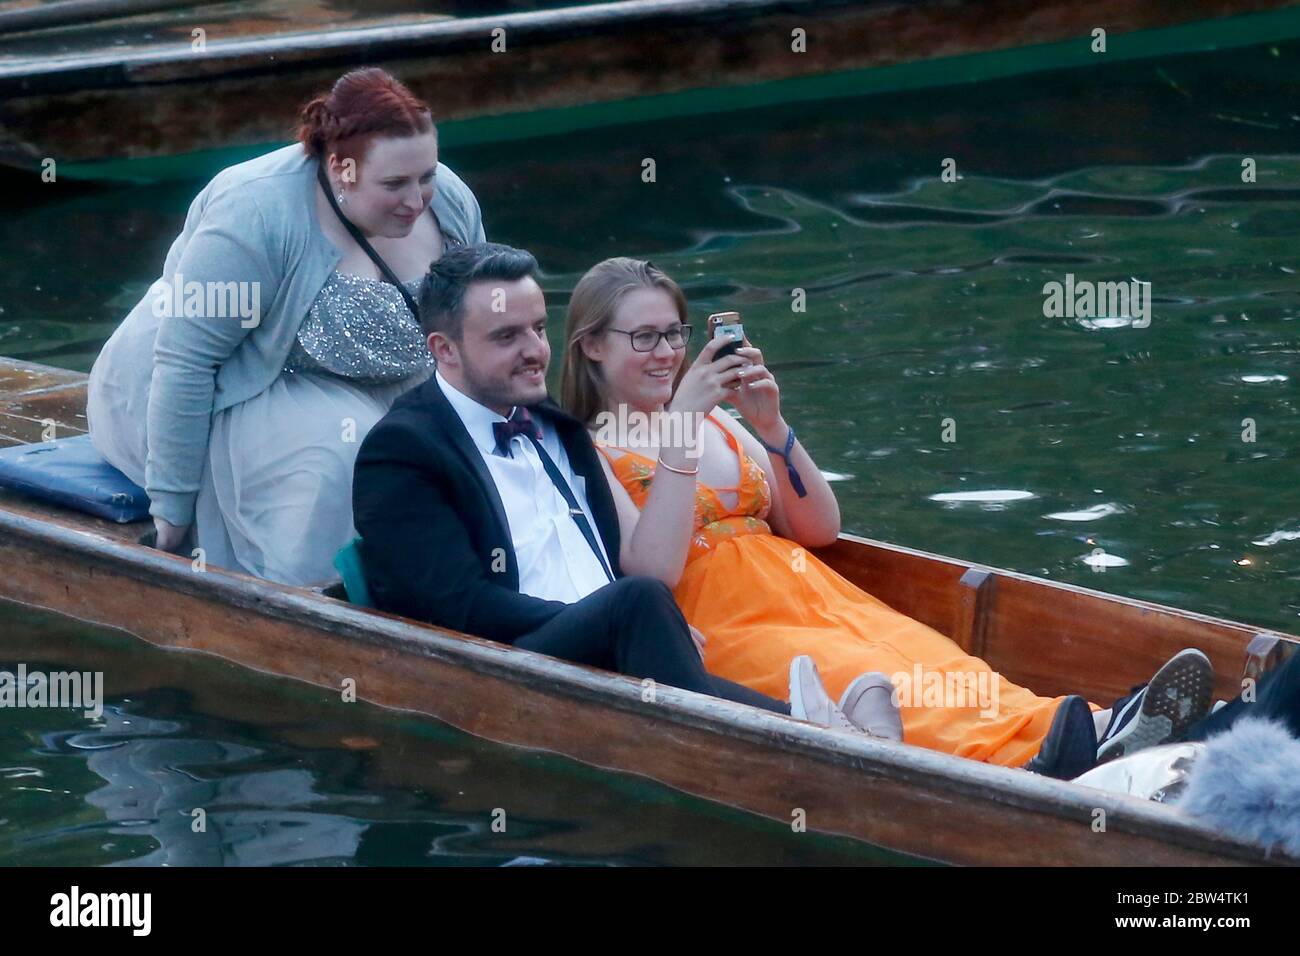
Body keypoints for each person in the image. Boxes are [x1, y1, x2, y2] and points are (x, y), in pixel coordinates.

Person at [558, 256, 1225, 777]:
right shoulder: (590, 448)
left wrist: (772, 425)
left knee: (938, 663)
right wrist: (678, 430)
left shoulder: (724, 426)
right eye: (643, 337)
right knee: (876, 682)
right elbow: (652, 570)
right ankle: (1050, 756)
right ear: (591, 346)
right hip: (726, 625)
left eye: (674, 333)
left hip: (818, 596)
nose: (666, 353)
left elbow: (818, 529)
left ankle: (1095, 729)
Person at [351, 242, 903, 738]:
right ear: (444, 350)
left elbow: (611, 554)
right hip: (499, 662)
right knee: (640, 600)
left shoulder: (552, 423)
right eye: (505, 336)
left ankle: (821, 734)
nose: (535, 350)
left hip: (603, 635)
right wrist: (609, 618)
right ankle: (808, 733)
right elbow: (459, 606)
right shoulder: (402, 449)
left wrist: (634, 620)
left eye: (539, 329)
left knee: (642, 605)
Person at [87, 67, 484, 585]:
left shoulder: (449, 202)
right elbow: (185, 363)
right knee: (348, 454)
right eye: (394, 184)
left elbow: (480, 324)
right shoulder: (255, 213)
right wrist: (172, 512)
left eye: (426, 176)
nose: (416, 201)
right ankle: (321, 602)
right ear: (341, 168)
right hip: (242, 380)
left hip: (384, 386)